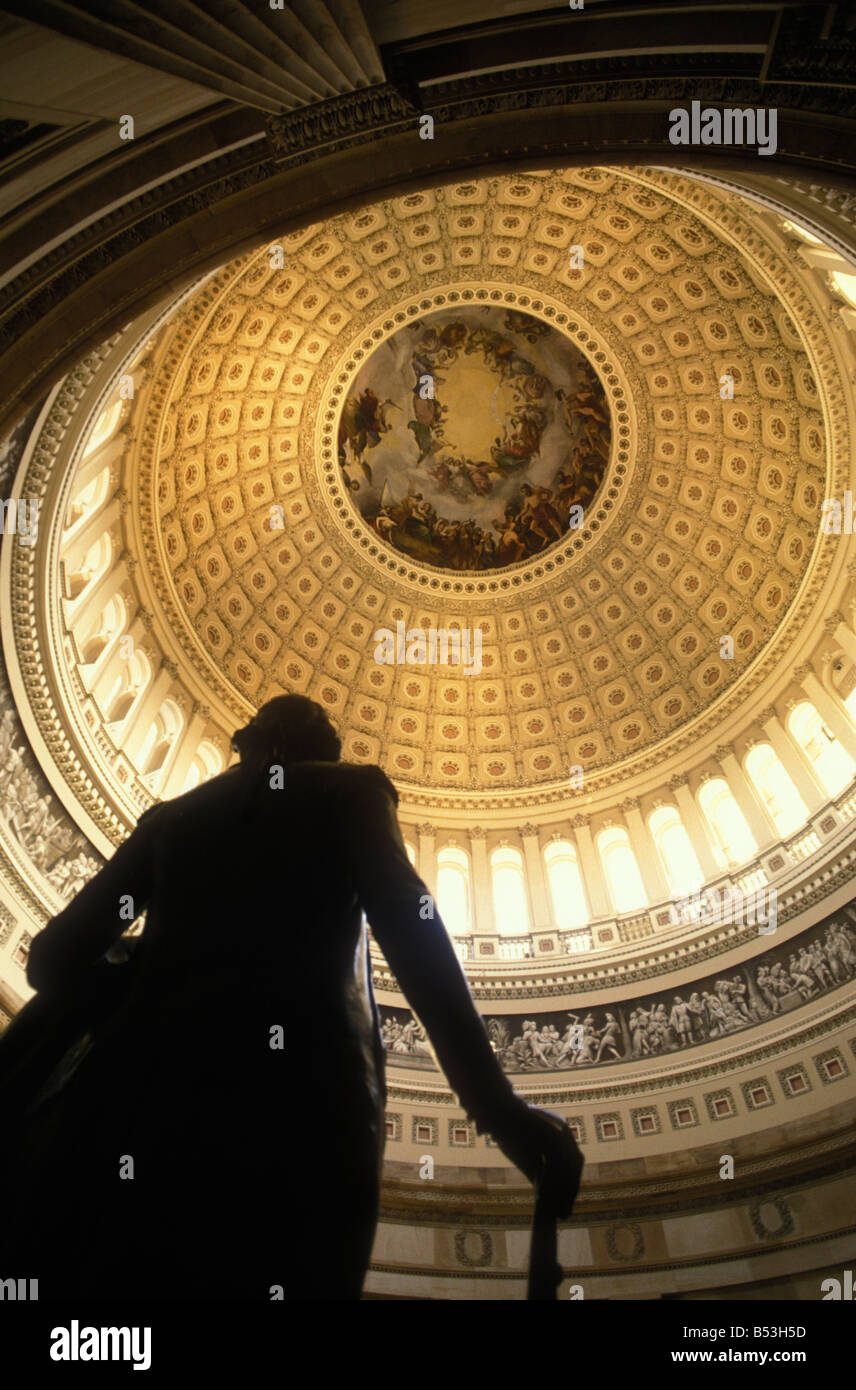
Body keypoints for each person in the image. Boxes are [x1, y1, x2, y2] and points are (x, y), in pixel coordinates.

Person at [8, 694, 582, 1300]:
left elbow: (51, 958)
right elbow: (411, 926)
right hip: (304, 1109)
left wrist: (135, 977)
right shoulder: (349, 793)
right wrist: (500, 1111)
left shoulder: (170, 822)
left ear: (247, 742)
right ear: (320, 748)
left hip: (138, 1107)